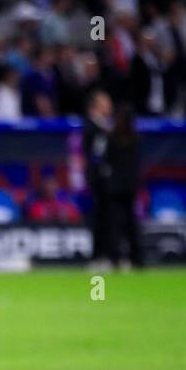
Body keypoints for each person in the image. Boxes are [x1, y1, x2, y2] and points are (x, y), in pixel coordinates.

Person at [102, 102, 144, 269]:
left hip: (115, 187)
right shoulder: (135, 138)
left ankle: (116, 258)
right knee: (130, 222)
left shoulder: (112, 138)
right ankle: (136, 258)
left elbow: (106, 161)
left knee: (116, 224)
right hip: (130, 185)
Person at [83, 89, 113, 270]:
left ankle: (107, 254)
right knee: (98, 218)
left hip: (110, 179)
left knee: (109, 218)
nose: (109, 106)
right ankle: (97, 256)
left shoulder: (108, 125)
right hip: (96, 180)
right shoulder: (90, 126)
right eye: (105, 102)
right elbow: (92, 154)